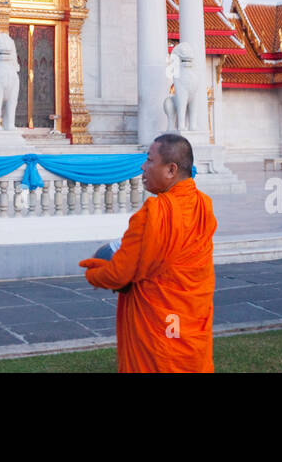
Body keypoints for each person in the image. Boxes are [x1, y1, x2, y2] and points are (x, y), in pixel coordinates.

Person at [80, 133, 217, 372]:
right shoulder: (203, 204)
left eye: (150, 160)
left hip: (159, 326)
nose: (143, 166)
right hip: (190, 318)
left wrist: (93, 273)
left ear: (171, 170)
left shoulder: (153, 214)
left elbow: (118, 274)